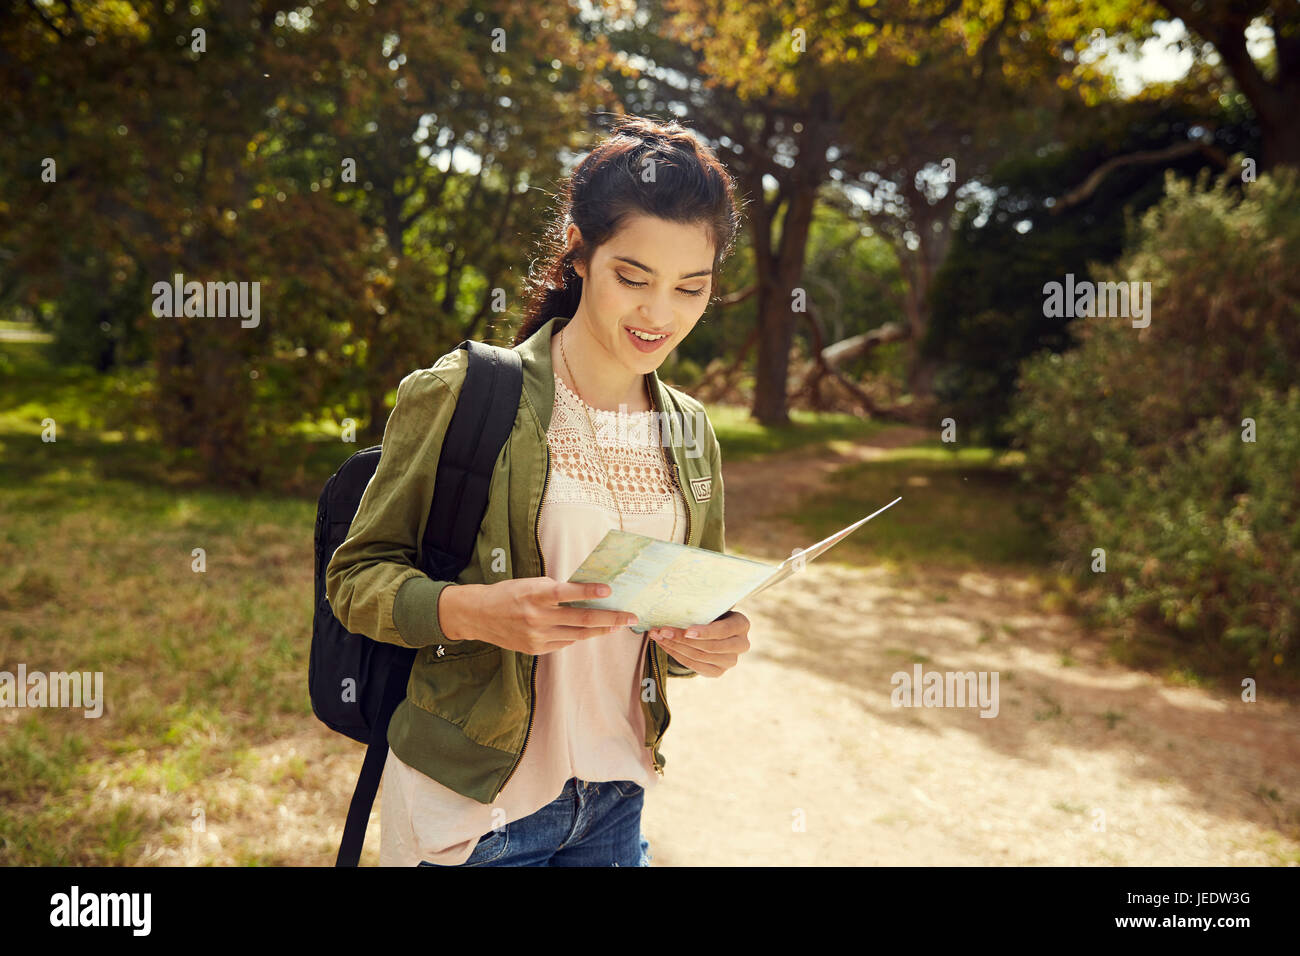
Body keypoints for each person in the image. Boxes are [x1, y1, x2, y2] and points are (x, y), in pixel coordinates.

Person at [324, 114, 752, 866]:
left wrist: (711, 642)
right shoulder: (467, 391)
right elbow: (355, 580)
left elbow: (677, 627)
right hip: (472, 811)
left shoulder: (690, 430)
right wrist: (475, 611)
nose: (660, 315)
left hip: (615, 796)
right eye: (633, 277)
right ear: (579, 250)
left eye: (692, 287)